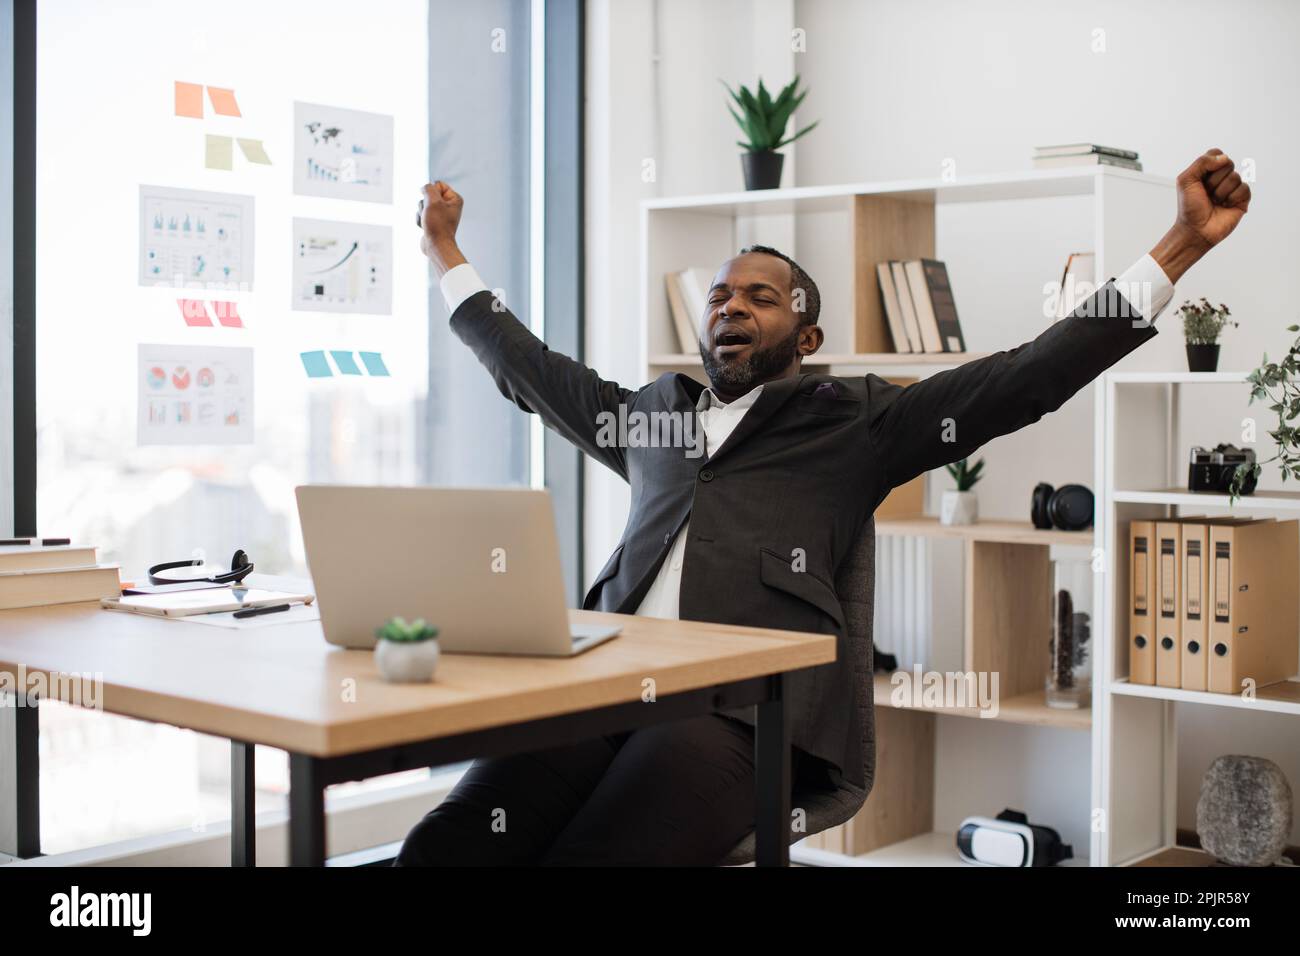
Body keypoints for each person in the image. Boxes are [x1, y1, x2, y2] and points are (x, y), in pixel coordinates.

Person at [395, 149, 1250, 865]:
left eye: (761, 297)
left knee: (595, 856)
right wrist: (445, 252)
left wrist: (1177, 247)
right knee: (451, 842)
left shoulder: (856, 422)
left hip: (740, 716)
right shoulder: (647, 414)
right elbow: (525, 369)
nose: (732, 305)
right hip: (608, 688)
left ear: (807, 338)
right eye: (721, 296)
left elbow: (1023, 378)